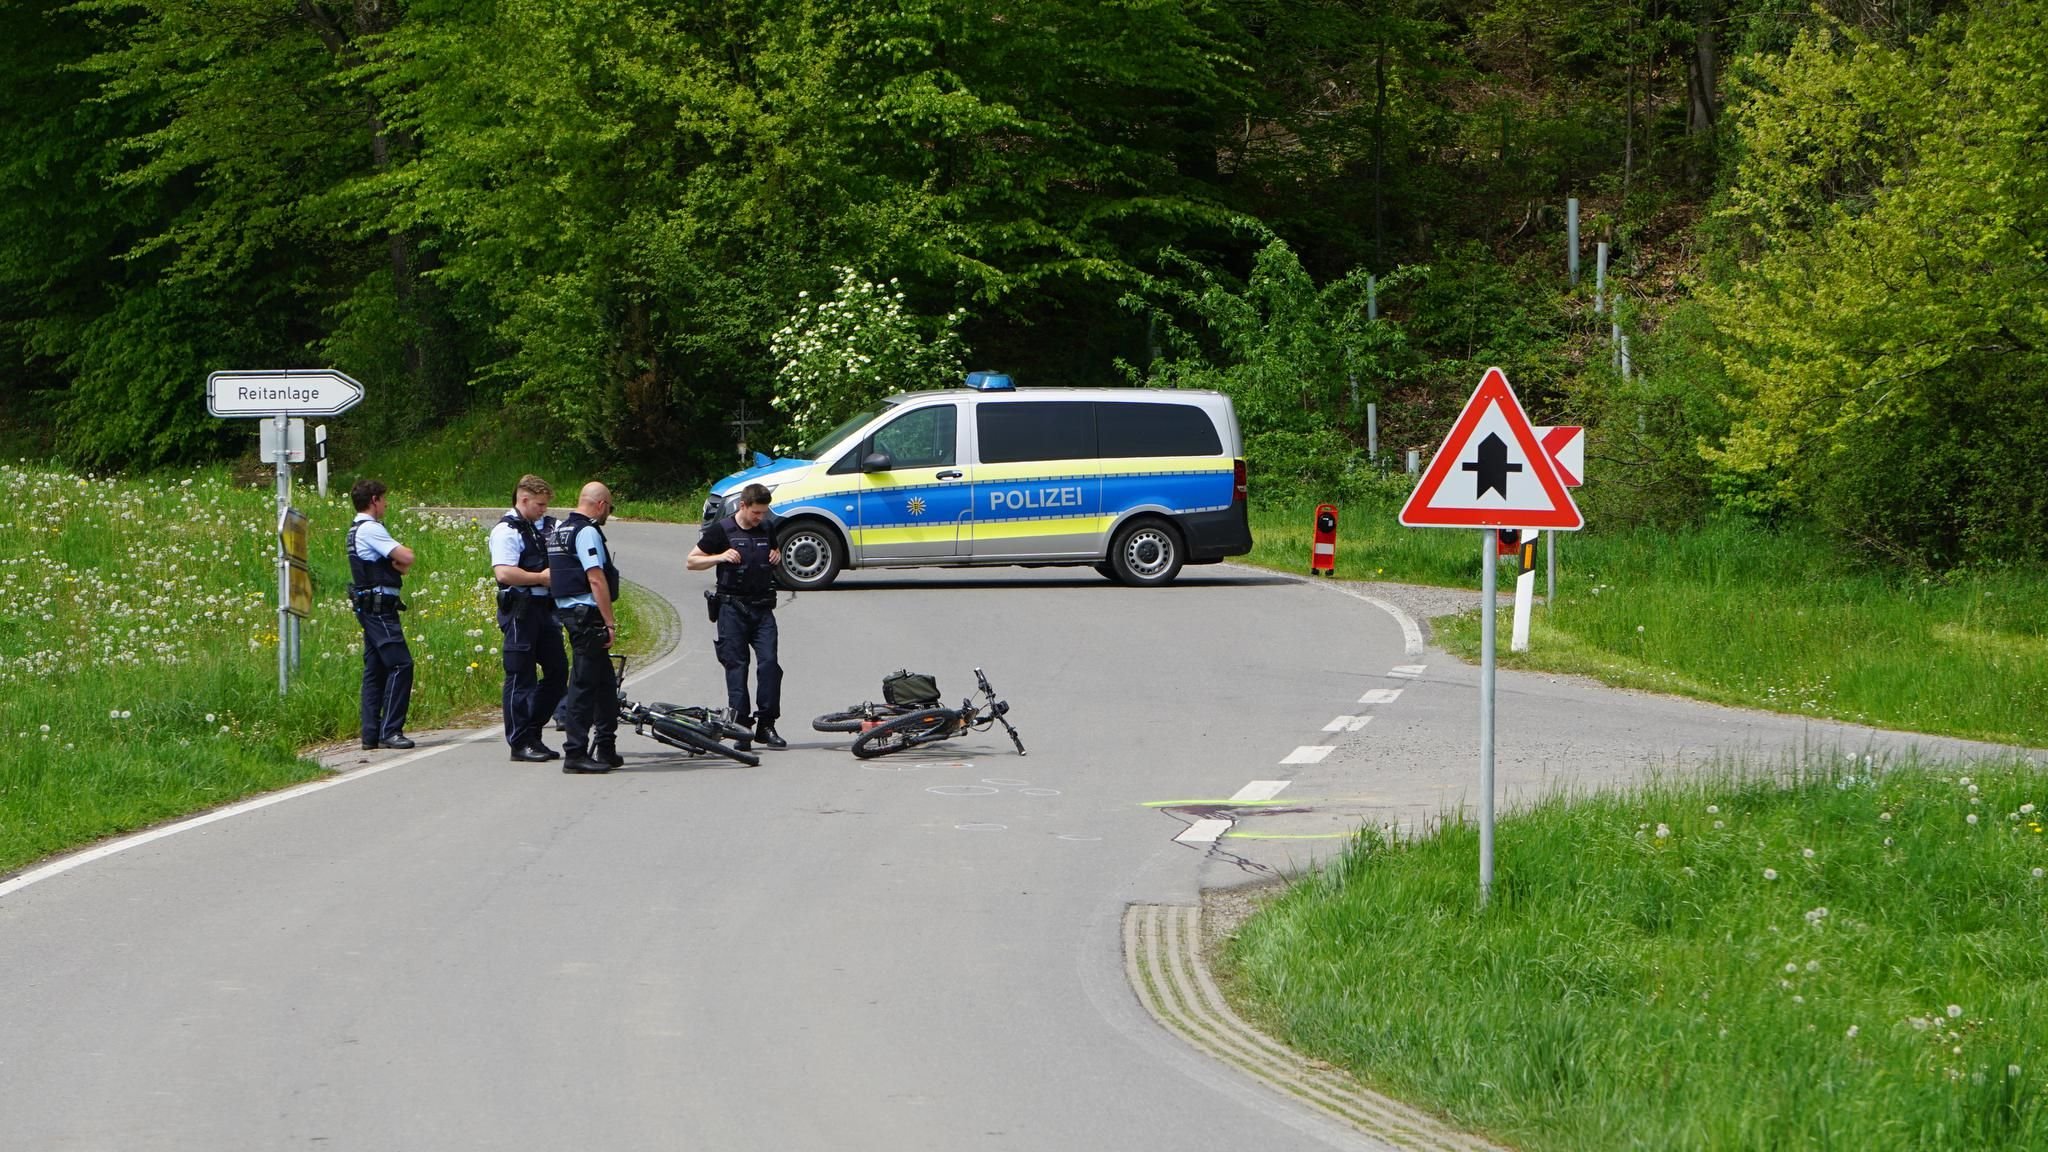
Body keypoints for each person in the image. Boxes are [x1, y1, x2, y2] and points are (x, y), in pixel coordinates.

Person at [687, 482, 785, 750]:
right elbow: (691, 561)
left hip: (762, 608)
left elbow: (773, 553)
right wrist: (719, 557)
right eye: (756, 512)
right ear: (743, 505)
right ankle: (741, 729)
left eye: (764, 513)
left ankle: (766, 724)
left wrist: (776, 556)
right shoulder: (722, 530)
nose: (760, 518)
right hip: (732, 609)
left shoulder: (767, 528)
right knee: (736, 668)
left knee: (769, 666)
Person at [491, 474, 567, 762]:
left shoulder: (545, 527)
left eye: (546, 505)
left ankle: (533, 731)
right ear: (523, 500)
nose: (543, 510)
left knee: (558, 672)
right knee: (520, 676)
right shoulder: (506, 531)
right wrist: (540, 578)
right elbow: (504, 572)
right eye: (539, 504)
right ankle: (519, 742)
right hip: (520, 610)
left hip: (545, 609)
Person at [549, 481, 622, 774]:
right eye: (610, 508)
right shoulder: (586, 531)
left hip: (569, 612)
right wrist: (609, 621)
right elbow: (595, 578)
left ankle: (606, 747)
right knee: (583, 685)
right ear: (601, 505)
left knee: (604, 684)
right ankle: (575, 753)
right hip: (585, 616)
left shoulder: (560, 530)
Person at [346, 479, 416, 751]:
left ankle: (371, 734)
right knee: (401, 665)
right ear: (374, 500)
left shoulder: (358, 530)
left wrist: (395, 564)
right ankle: (391, 729)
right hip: (379, 609)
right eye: (384, 499)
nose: (386, 504)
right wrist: (397, 560)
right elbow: (406, 558)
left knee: (375, 671)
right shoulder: (371, 530)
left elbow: (400, 566)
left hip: (370, 606)